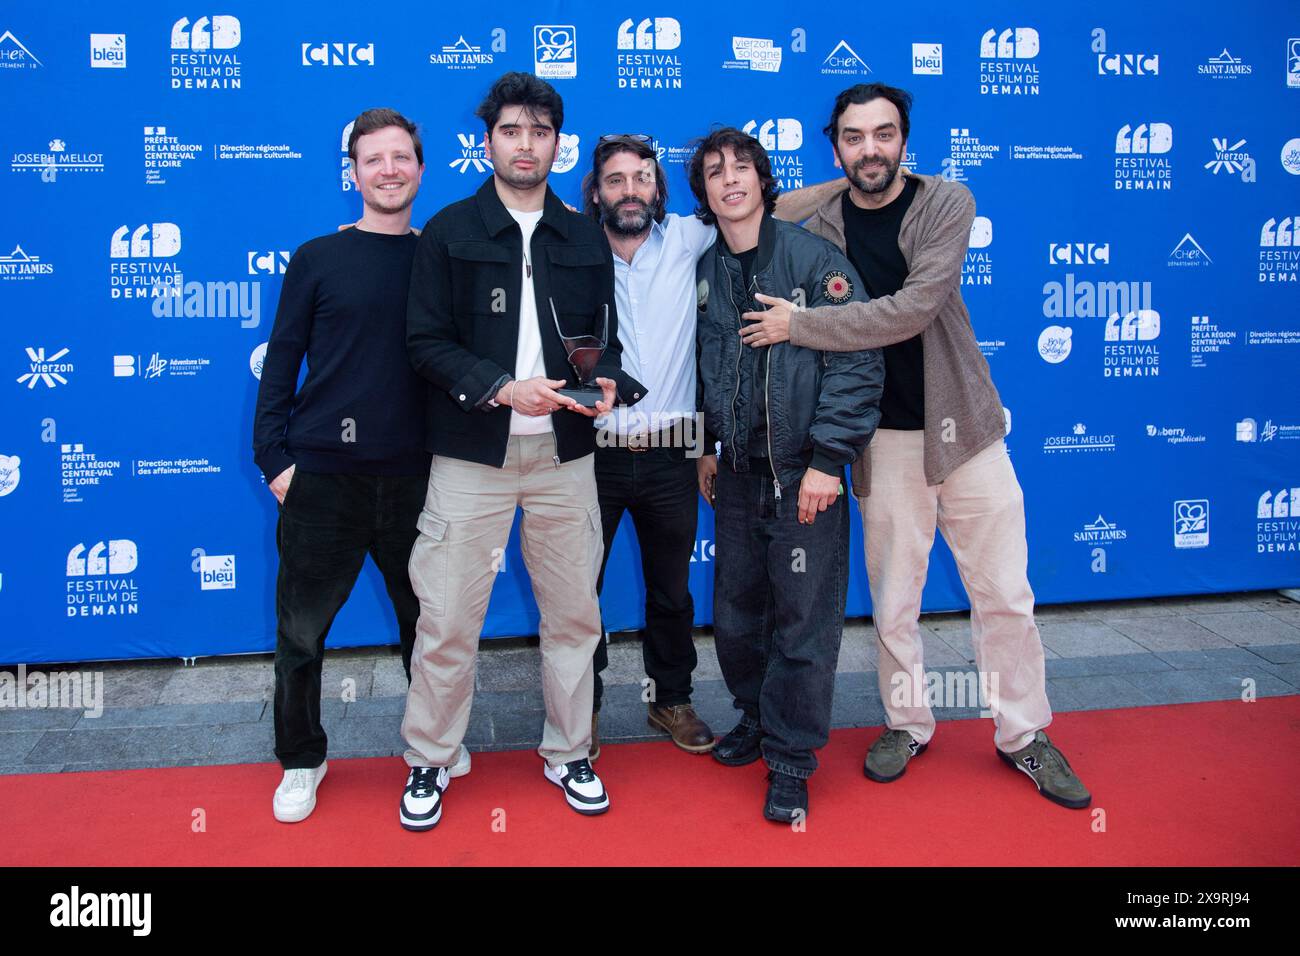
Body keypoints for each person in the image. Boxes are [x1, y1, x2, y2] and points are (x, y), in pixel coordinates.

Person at [739, 83, 1092, 809]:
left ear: (908, 140)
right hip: (883, 441)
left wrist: (799, 326)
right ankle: (907, 722)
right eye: (854, 137)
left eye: (884, 135)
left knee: (1005, 594)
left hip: (965, 427)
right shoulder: (828, 210)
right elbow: (763, 208)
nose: (872, 148)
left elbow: (911, 310)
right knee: (895, 599)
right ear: (834, 146)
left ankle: (1023, 732)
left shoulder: (947, 202)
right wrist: (849, 176)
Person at [398, 72, 645, 830]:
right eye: (512, 131)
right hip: (472, 455)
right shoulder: (448, 231)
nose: (526, 145)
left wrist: (605, 384)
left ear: (556, 144)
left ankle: (571, 751)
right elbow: (425, 343)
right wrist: (503, 387)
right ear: (489, 141)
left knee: (574, 616)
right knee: (445, 619)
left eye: (540, 133)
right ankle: (431, 760)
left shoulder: (582, 236)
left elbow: (601, 345)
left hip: (565, 460)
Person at [690, 127, 884, 823]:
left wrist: (830, 461)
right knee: (739, 616)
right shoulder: (707, 269)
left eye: (742, 167)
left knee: (803, 622)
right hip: (739, 476)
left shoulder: (814, 261)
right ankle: (755, 717)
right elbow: (704, 370)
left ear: (763, 180)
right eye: (714, 172)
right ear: (704, 193)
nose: (729, 180)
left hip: (805, 472)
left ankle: (793, 759)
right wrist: (707, 447)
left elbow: (858, 362)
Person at [253, 108, 436, 824]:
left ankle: (434, 744)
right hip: (322, 477)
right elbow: (281, 363)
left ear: (420, 168)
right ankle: (302, 757)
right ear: (354, 173)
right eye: (374, 158)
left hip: (418, 477)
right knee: (301, 632)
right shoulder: (317, 258)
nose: (389, 169)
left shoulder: (441, 257)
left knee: (428, 627)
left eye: (401, 157)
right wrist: (274, 457)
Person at [581, 134, 716, 756]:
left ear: (659, 190)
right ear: (597, 192)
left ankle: (672, 700)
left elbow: (769, 208)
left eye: (641, 178)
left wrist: (855, 183)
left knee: (672, 591)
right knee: (580, 593)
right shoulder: (570, 252)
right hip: (590, 457)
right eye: (616, 179)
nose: (630, 190)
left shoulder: (690, 239)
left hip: (671, 453)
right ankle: (583, 707)